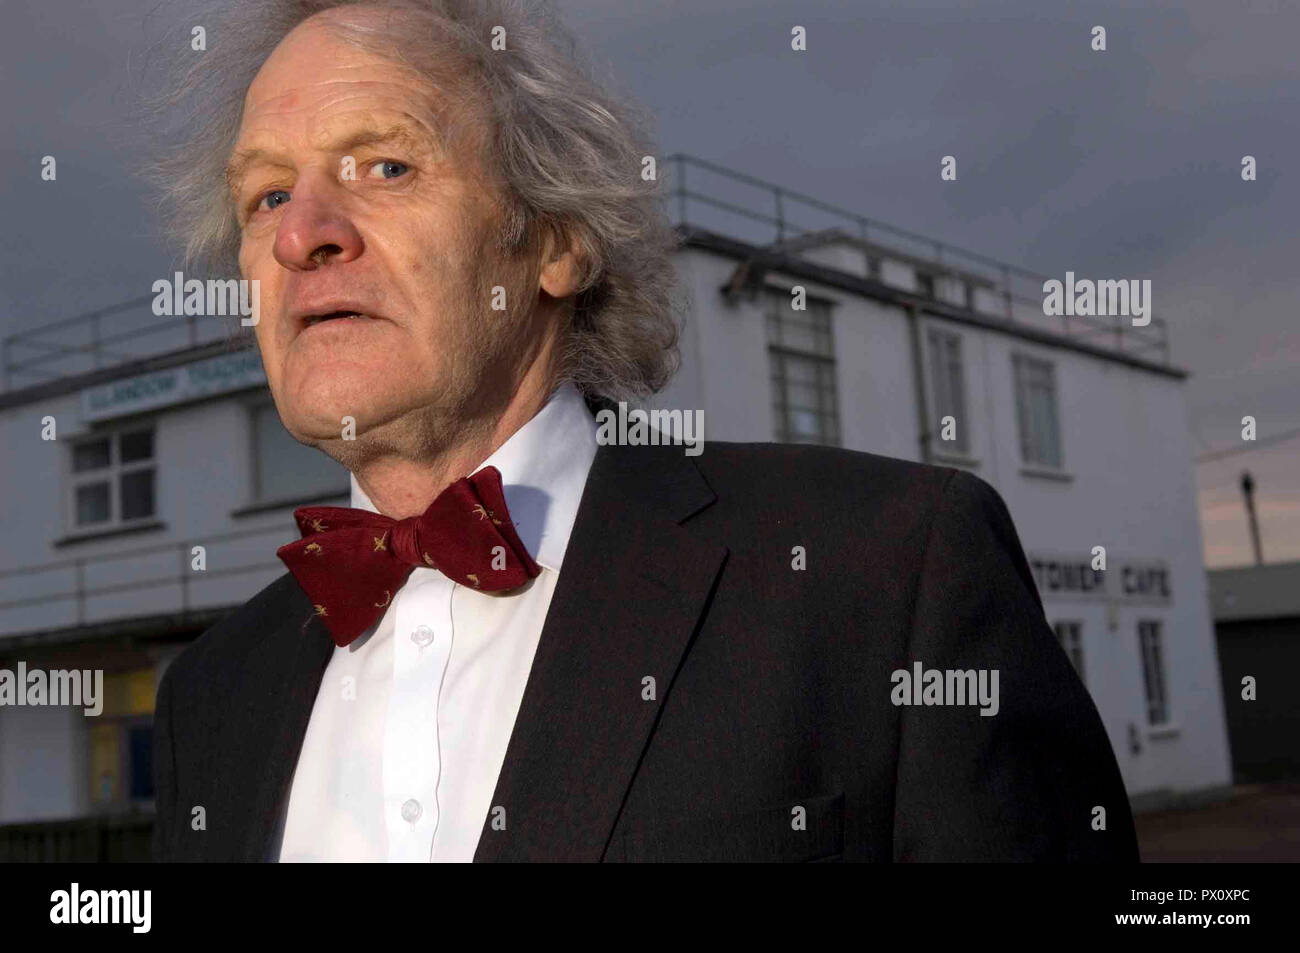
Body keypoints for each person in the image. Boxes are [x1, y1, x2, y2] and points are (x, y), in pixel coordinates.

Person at [152, 0, 1138, 862]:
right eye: (268, 192)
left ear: (556, 240)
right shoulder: (210, 695)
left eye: (387, 164)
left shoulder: (888, 571)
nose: (300, 232)